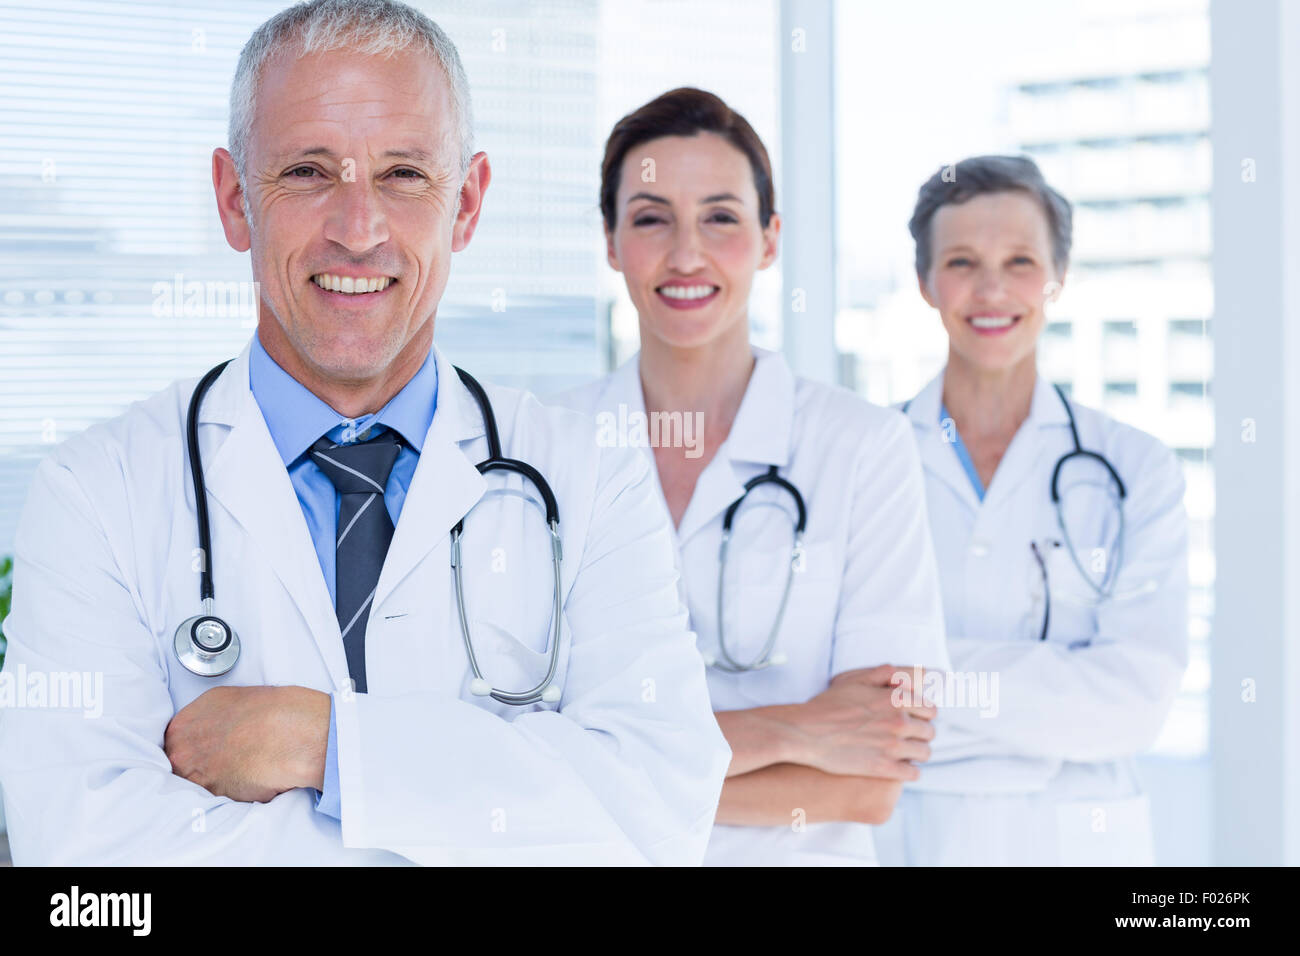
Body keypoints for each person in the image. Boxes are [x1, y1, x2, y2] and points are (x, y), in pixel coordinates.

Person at [0, 0, 730, 866]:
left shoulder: (589, 477)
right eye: (308, 171)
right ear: (236, 202)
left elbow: (661, 809)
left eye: (404, 175)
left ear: (467, 204)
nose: (358, 229)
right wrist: (478, 804)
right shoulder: (97, 493)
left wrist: (326, 745)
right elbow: (84, 855)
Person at [552, 87, 949, 866]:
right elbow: (515, 751)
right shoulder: (549, 450)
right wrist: (794, 730)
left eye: (721, 217)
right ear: (610, 240)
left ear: (770, 239)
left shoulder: (864, 449)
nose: (686, 254)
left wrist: (610, 774)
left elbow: (871, 782)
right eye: (650, 216)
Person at [876, 155, 1189, 866]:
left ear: (1058, 278)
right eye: (962, 261)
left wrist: (926, 688)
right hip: (906, 838)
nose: (992, 289)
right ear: (926, 283)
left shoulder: (1137, 469)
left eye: (1020, 260)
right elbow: (842, 689)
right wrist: (1050, 697)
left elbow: (1137, 701)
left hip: (1076, 841)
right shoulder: (867, 459)